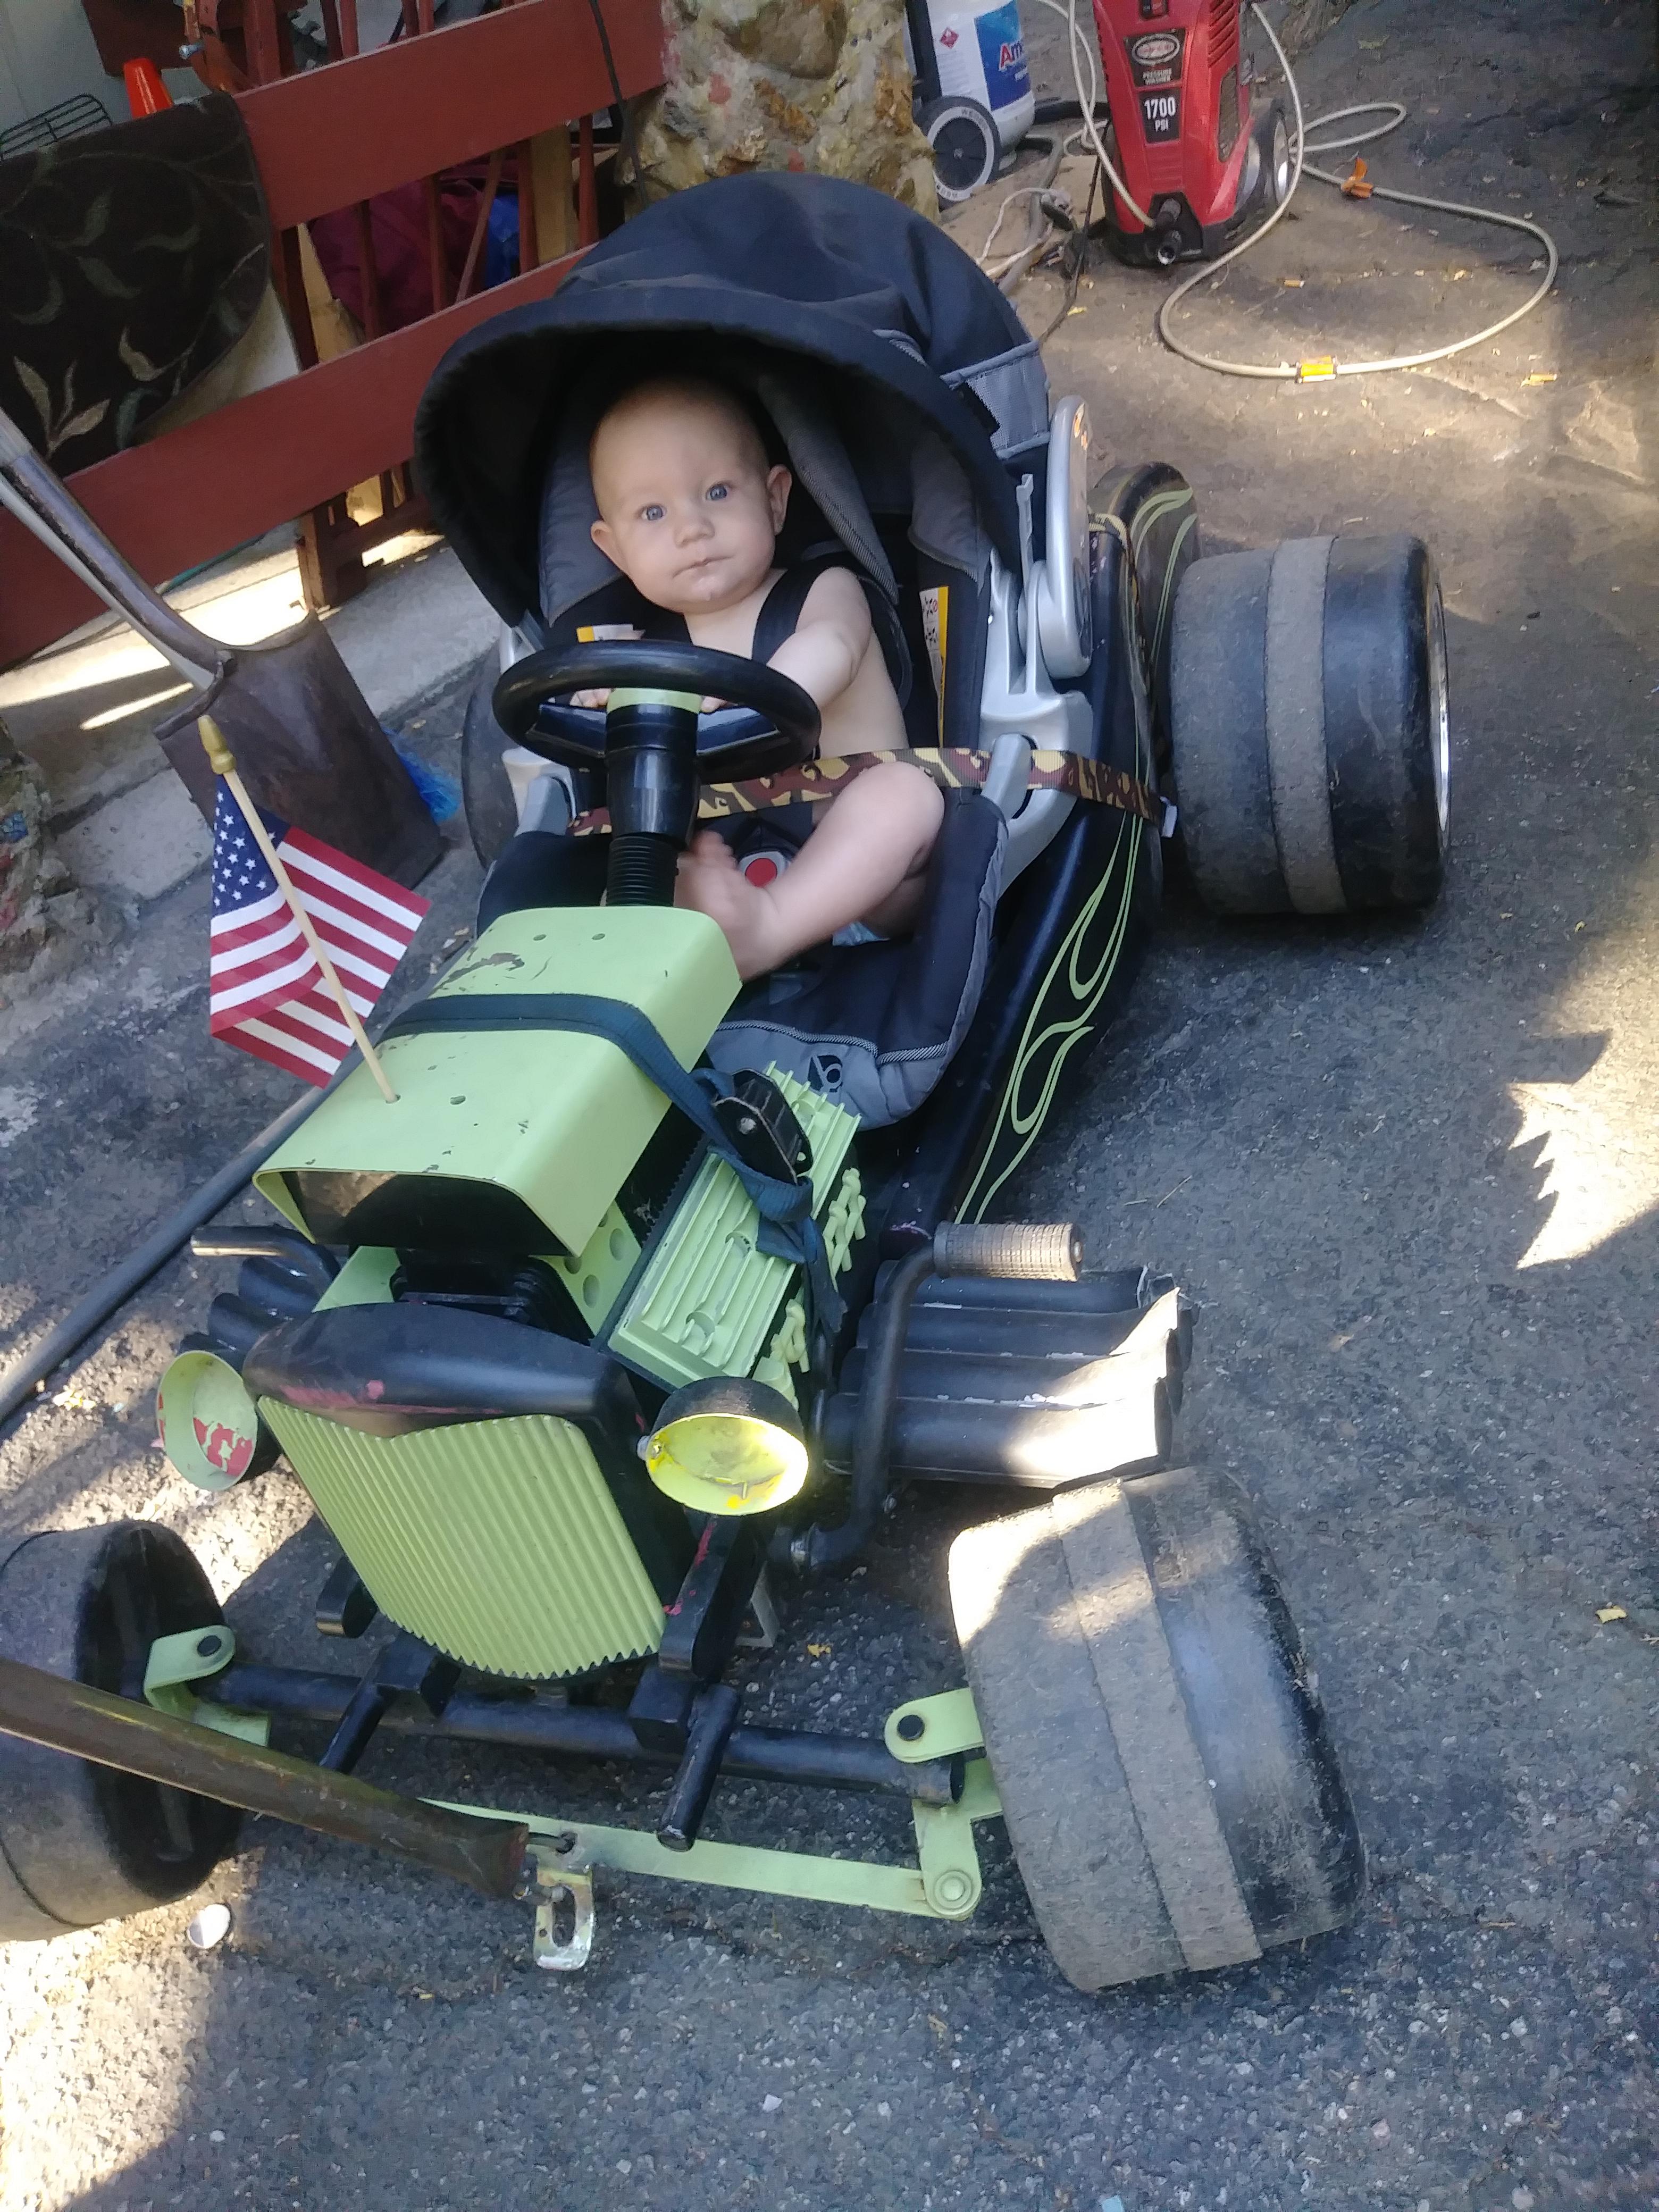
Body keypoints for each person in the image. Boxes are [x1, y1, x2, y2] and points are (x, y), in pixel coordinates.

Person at [582, 375, 943, 980]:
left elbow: (832, 647)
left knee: (904, 797)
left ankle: (771, 927)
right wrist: (599, 704)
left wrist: (731, 692)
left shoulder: (823, 591)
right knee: (615, 881)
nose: (691, 527)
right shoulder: (639, 656)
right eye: (653, 512)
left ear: (775, 498)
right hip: (716, 876)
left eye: (717, 491)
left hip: (861, 881)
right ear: (614, 549)